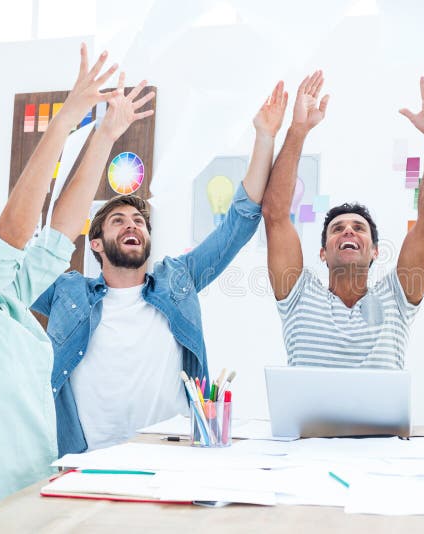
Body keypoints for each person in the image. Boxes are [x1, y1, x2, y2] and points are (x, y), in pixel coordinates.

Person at [0, 44, 152, 520]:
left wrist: (105, 135)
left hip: (38, 497)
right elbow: (10, 233)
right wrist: (65, 121)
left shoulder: (5, 301)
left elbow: (59, 232)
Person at [31, 81, 288, 455]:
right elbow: (4, 259)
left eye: (138, 220)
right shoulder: (65, 292)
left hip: (171, 457)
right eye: (118, 221)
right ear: (96, 243)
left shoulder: (178, 279)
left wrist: (265, 136)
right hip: (84, 460)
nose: (133, 224)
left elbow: (240, 221)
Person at [262, 71, 424, 368]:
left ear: (375, 250)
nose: (348, 230)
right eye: (338, 229)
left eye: (358, 228)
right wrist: (298, 130)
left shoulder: (395, 299)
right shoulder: (299, 295)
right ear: (323, 252)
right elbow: (275, 216)